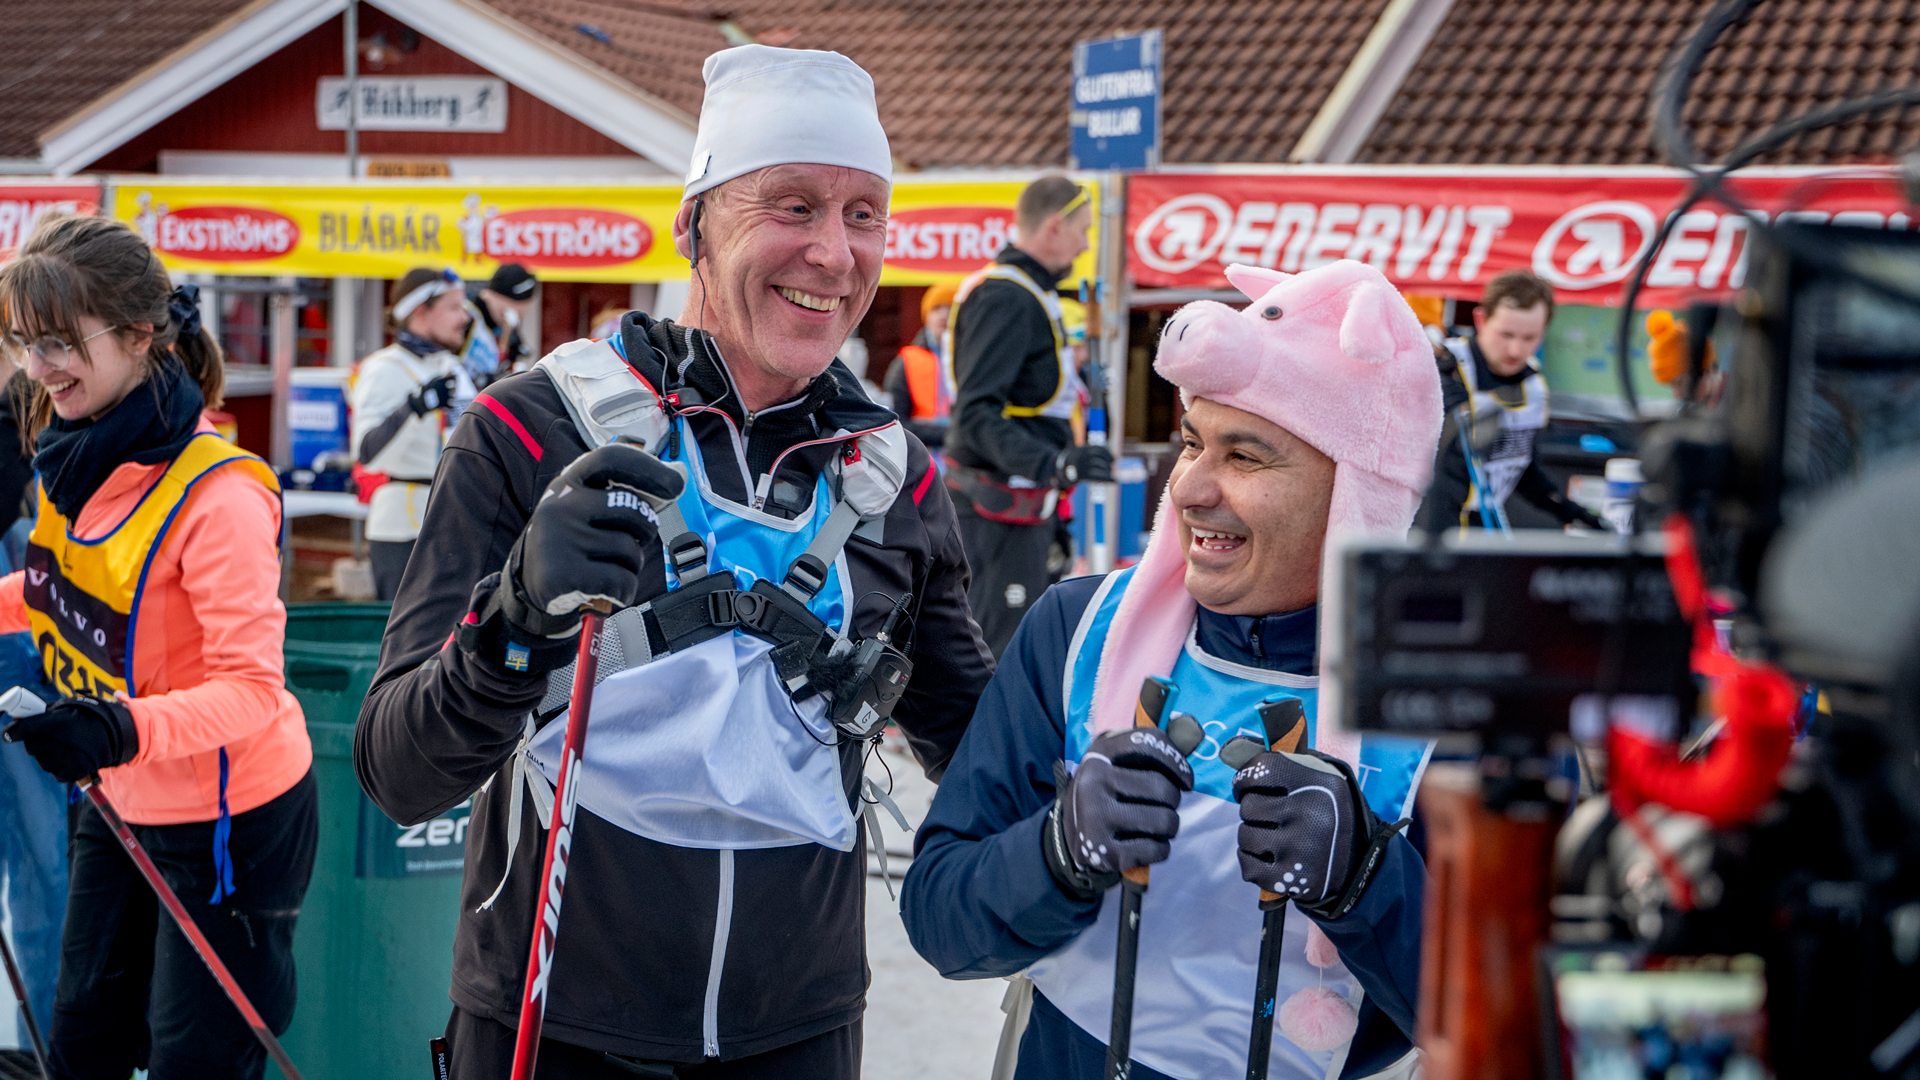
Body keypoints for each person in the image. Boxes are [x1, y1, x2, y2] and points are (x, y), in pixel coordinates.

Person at [354, 45, 993, 1080]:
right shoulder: (526, 430)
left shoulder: (894, 477)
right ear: (692, 223)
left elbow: (978, 747)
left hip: (800, 1030)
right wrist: (513, 618)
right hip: (552, 1025)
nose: (835, 254)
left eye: (864, 214)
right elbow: (397, 772)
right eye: (792, 206)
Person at [902, 260, 1443, 1080]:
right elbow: (941, 919)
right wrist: (1057, 852)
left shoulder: (1452, 698)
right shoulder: (1078, 628)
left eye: (1245, 456)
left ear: (1353, 494)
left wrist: (1370, 880)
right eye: (1191, 441)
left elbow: (1525, 1020)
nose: (1188, 487)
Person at [0, 214, 315, 1080]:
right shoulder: (73, 454)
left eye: (58, 343)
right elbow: (57, 595)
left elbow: (253, 689)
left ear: (138, 335)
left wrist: (113, 727)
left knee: (193, 1061)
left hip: (229, 821)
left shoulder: (220, 498)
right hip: (121, 796)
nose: (38, 370)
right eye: (23, 344)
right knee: (85, 1039)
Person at [944, 176, 1107, 658]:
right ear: (1054, 227)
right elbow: (974, 415)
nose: (1084, 244)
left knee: (1025, 648)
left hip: (1026, 509)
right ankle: (984, 737)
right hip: (996, 511)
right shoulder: (1006, 296)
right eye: (1082, 230)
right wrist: (1052, 464)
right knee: (996, 654)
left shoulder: (1036, 292)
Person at [1415, 269, 1607, 533]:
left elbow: (1516, 465)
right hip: (1423, 526)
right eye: (1506, 335)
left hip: (1482, 527)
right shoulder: (1442, 368)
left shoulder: (1533, 386)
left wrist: (1568, 510)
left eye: (1529, 338)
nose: (1516, 350)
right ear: (1481, 320)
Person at [350, 267, 472, 600]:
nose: (465, 317)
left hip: (451, 524)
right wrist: (414, 407)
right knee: (407, 647)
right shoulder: (384, 369)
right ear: (420, 312)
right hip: (402, 531)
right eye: (453, 308)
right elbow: (368, 455)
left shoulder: (448, 367)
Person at [885, 281, 956, 450]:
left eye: (950, 308)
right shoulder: (907, 360)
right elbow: (894, 420)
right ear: (926, 315)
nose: (944, 315)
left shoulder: (972, 358)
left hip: (964, 463)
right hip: (920, 456)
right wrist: (949, 435)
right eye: (937, 308)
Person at [465, 262, 540, 380]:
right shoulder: (468, 319)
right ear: (489, 296)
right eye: (508, 308)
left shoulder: (509, 330)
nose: (515, 316)